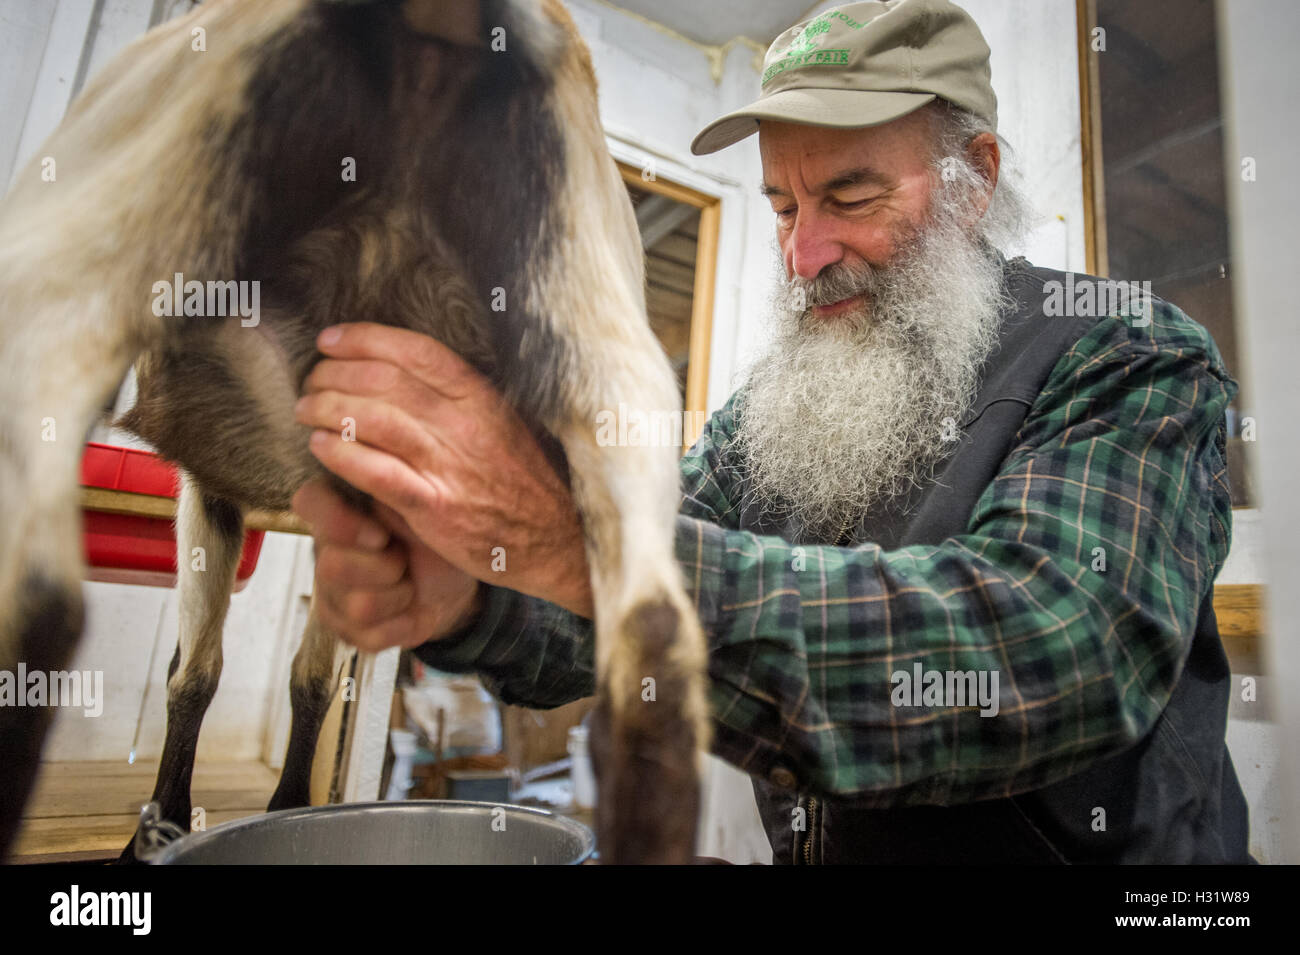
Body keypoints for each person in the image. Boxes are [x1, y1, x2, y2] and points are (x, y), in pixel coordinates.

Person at [290, 0, 1251, 863]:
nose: (805, 254)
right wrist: (473, 593)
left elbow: (1041, 651)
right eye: (784, 206)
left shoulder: (1128, 356)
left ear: (972, 179)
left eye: (851, 197)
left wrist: (582, 541)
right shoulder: (766, 422)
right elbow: (595, 619)